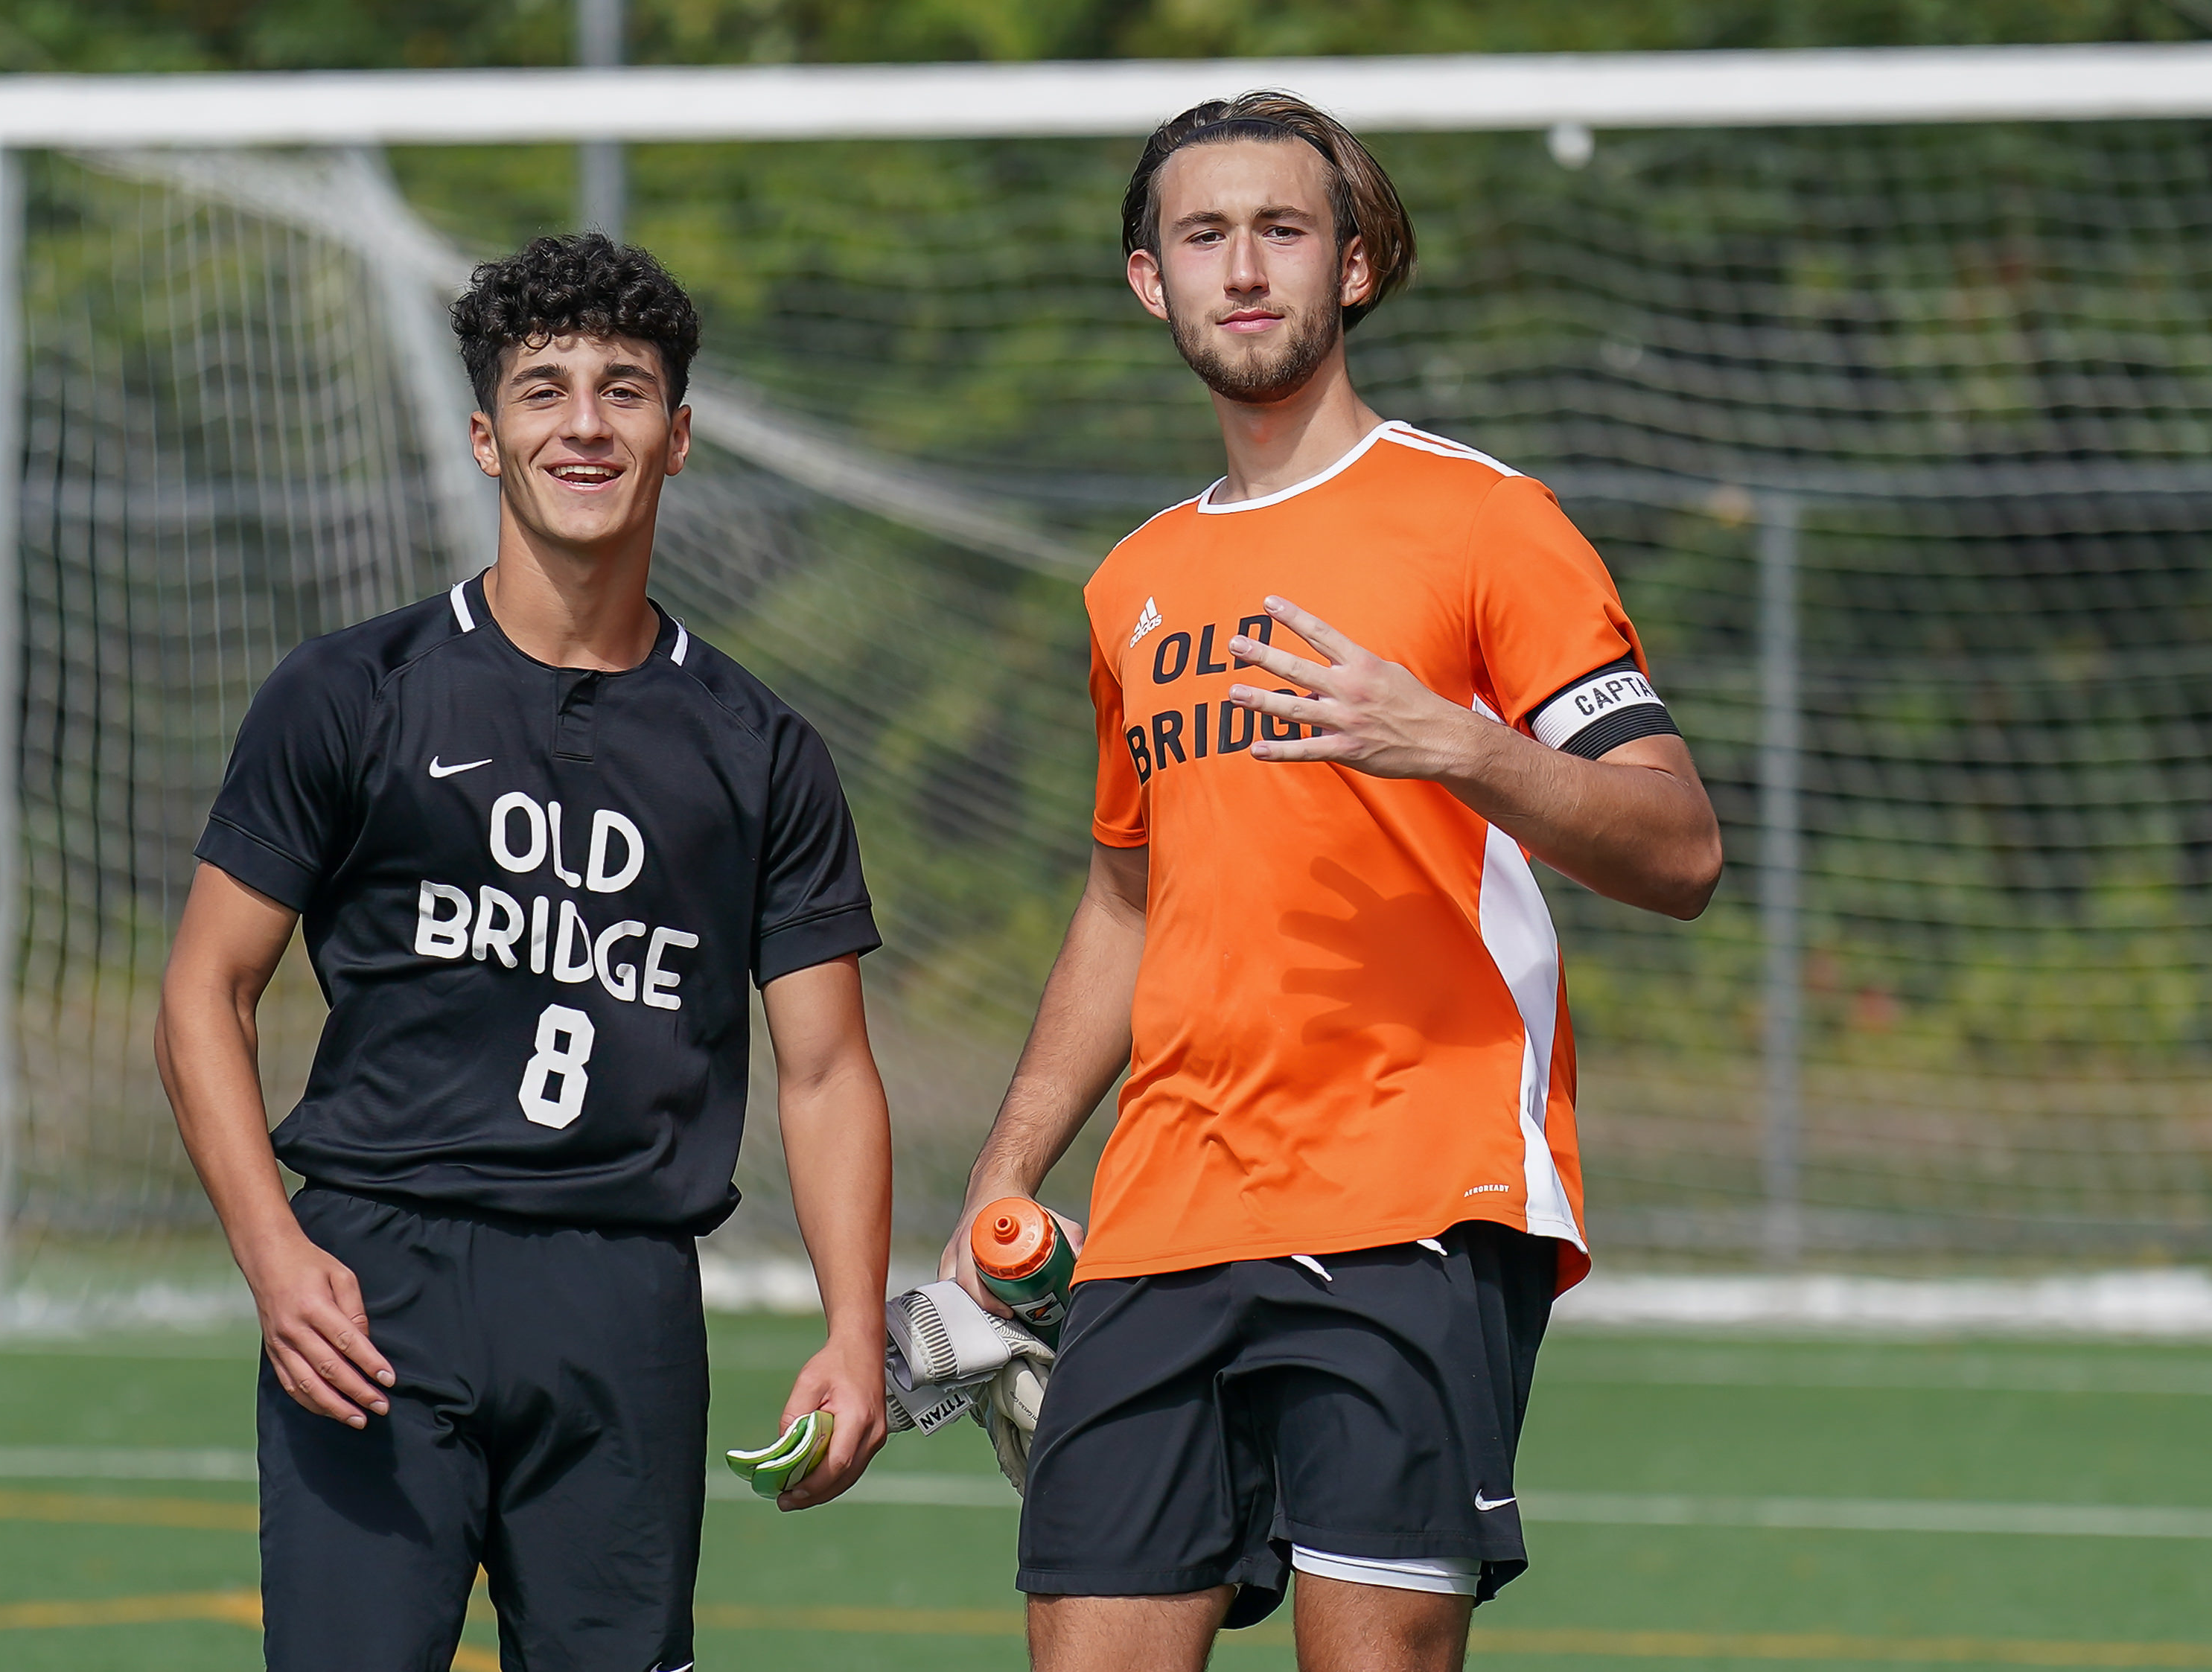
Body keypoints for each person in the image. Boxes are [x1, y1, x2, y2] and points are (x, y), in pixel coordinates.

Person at [940, 93, 1723, 1672]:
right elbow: (1121, 901)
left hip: (1408, 1200)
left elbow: (1678, 844)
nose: (1242, 267)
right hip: (1161, 1217)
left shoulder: (1485, 522)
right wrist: (998, 1178)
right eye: (1202, 235)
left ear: (1351, 267)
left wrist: (1458, 745)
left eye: (1280, 230)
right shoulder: (1130, 582)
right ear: (1148, 281)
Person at [156, 232, 891, 1672]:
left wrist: (855, 1329)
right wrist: (272, 1254)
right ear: (488, 435)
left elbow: (826, 1069)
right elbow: (205, 990)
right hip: (374, 1282)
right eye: (545, 389)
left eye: (624, 390)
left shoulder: (759, 749)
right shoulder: (348, 693)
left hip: (622, 1298)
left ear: (676, 438)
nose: (585, 422)